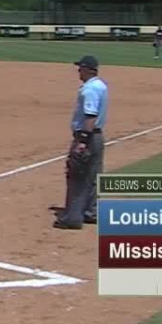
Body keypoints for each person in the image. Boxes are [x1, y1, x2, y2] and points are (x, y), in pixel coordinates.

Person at [55, 55, 109, 230]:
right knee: (94, 176)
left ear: (89, 70)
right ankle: (91, 212)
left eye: (81, 68)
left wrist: (83, 141)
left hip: (87, 136)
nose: (79, 71)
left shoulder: (90, 89)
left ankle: (73, 217)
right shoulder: (101, 85)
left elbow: (90, 115)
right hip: (98, 137)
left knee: (77, 177)